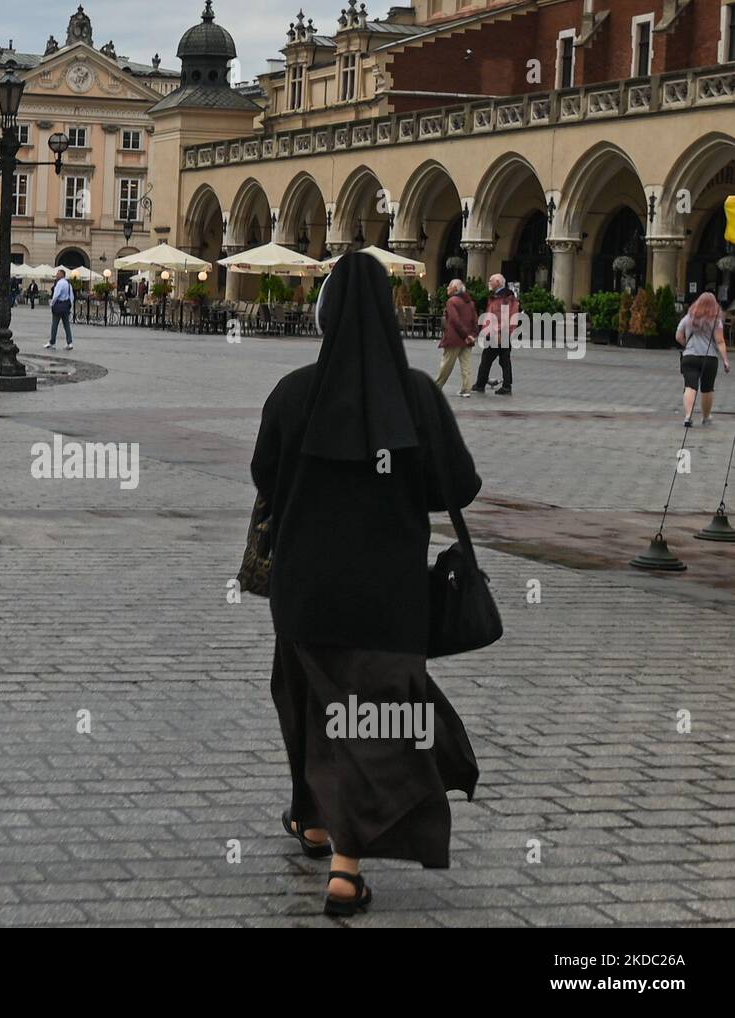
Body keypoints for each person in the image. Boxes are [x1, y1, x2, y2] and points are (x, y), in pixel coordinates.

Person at [250, 251, 481, 918]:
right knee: (368, 721)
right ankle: (328, 840)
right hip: (389, 598)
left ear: (324, 316)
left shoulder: (293, 393)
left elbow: (267, 477)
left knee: (311, 711)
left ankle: (337, 852)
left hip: (306, 593)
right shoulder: (417, 395)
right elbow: (455, 488)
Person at [676, 291, 730, 426]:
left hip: (690, 357)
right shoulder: (716, 321)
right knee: (707, 388)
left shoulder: (688, 318)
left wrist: (686, 345)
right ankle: (706, 417)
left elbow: (678, 336)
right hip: (709, 359)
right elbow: (720, 342)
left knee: (690, 386)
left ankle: (688, 416)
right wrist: (725, 360)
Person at [472, 274, 520, 396]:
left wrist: (499, 333)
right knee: (504, 360)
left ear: (498, 282)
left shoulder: (503, 297)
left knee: (487, 360)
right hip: (500, 333)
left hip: (498, 334)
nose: (489, 283)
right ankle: (506, 385)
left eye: (491, 281)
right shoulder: (502, 296)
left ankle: (481, 384)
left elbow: (503, 317)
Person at [437, 279, 477, 397]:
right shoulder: (470, 302)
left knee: (447, 364)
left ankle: (437, 386)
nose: (447, 288)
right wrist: (472, 335)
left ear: (455, 288)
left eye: (449, 286)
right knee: (466, 365)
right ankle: (466, 390)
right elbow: (475, 320)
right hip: (468, 340)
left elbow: (455, 320)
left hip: (455, 338)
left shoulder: (452, 301)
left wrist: (466, 335)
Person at [44, 268, 75, 351]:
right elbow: (71, 296)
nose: (57, 275)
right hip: (65, 307)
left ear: (62, 275)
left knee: (55, 324)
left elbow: (56, 295)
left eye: (58, 273)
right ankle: (70, 343)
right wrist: (70, 305)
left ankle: (52, 342)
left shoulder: (59, 283)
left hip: (58, 305)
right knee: (66, 325)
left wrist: (52, 304)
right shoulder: (69, 284)